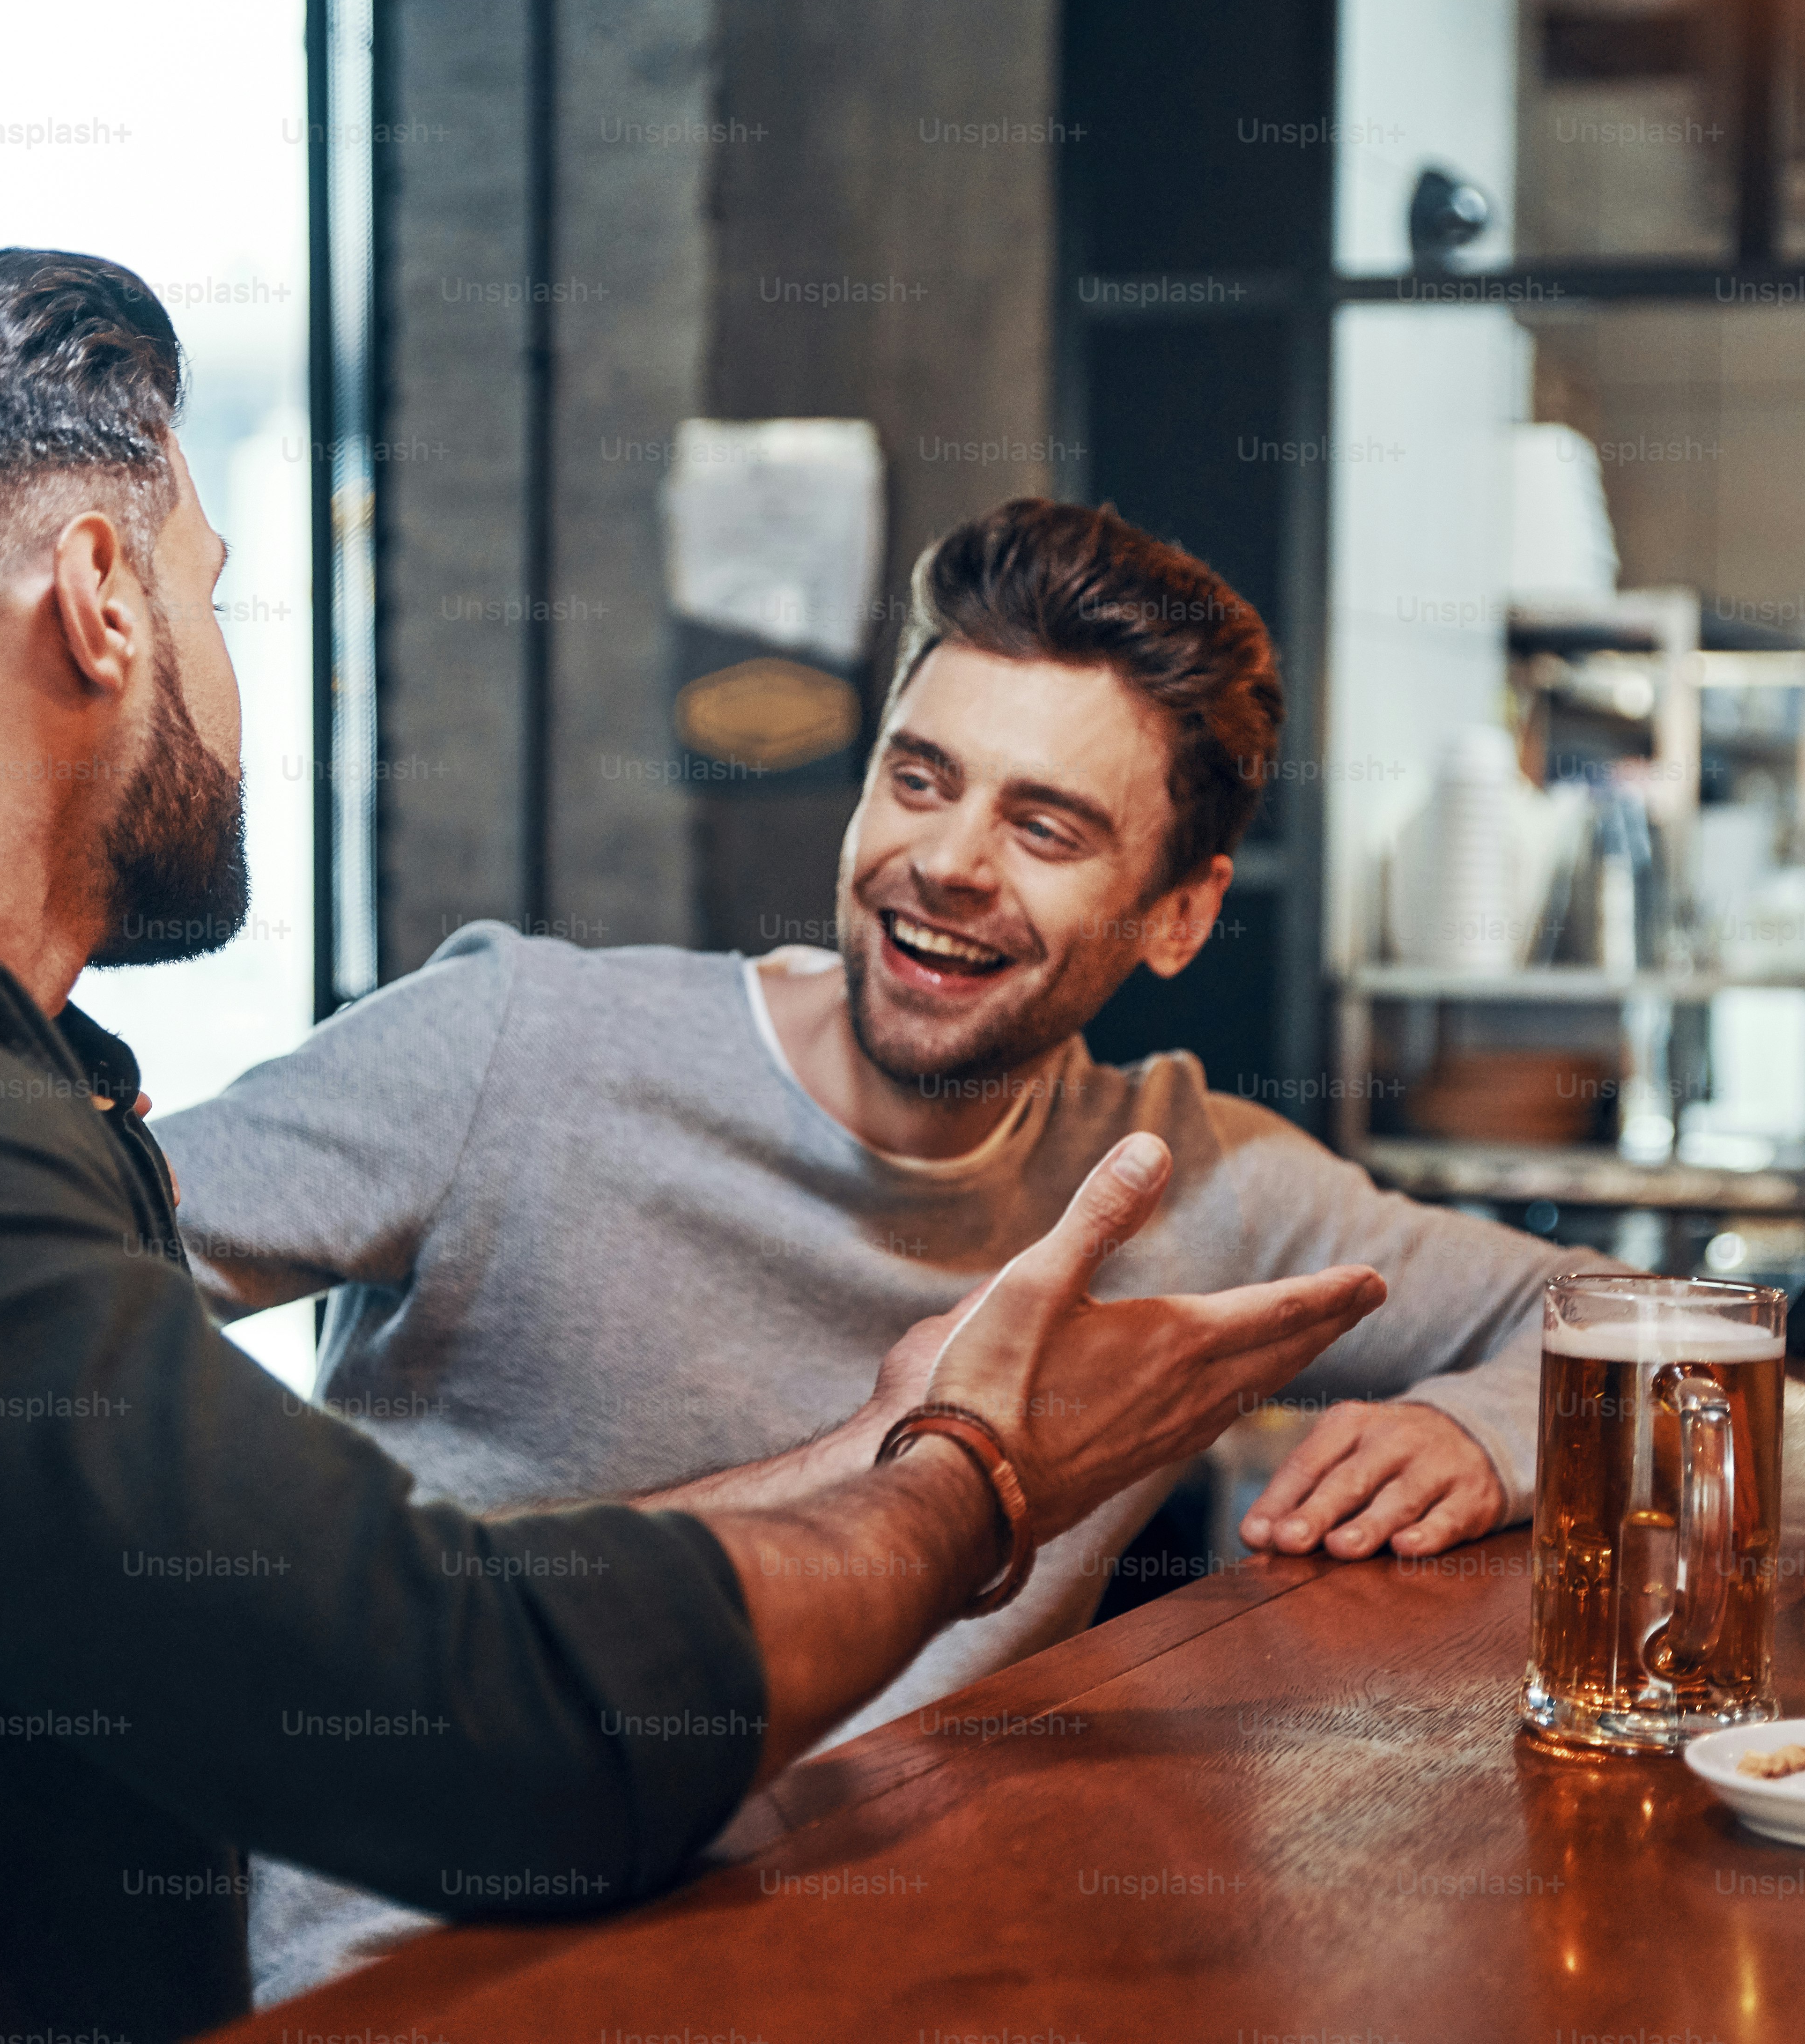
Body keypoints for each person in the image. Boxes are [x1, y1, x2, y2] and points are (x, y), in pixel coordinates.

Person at [0, 248, 1388, 2042]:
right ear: (98, 600)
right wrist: (976, 1479)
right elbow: (472, 1723)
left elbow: (374, 1601)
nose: (228, 672)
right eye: (207, 594)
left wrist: (890, 1442)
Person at [158, 496, 1622, 1997]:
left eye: (1044, 826)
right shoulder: (513, 1047)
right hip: (443, 1971)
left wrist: (1476, 1428)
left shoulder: (1193, 1181)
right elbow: (14, 1274)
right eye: (920, 781)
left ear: (1179, 915)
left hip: (886, 1956)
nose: (950, 862)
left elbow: (1622, 1312)